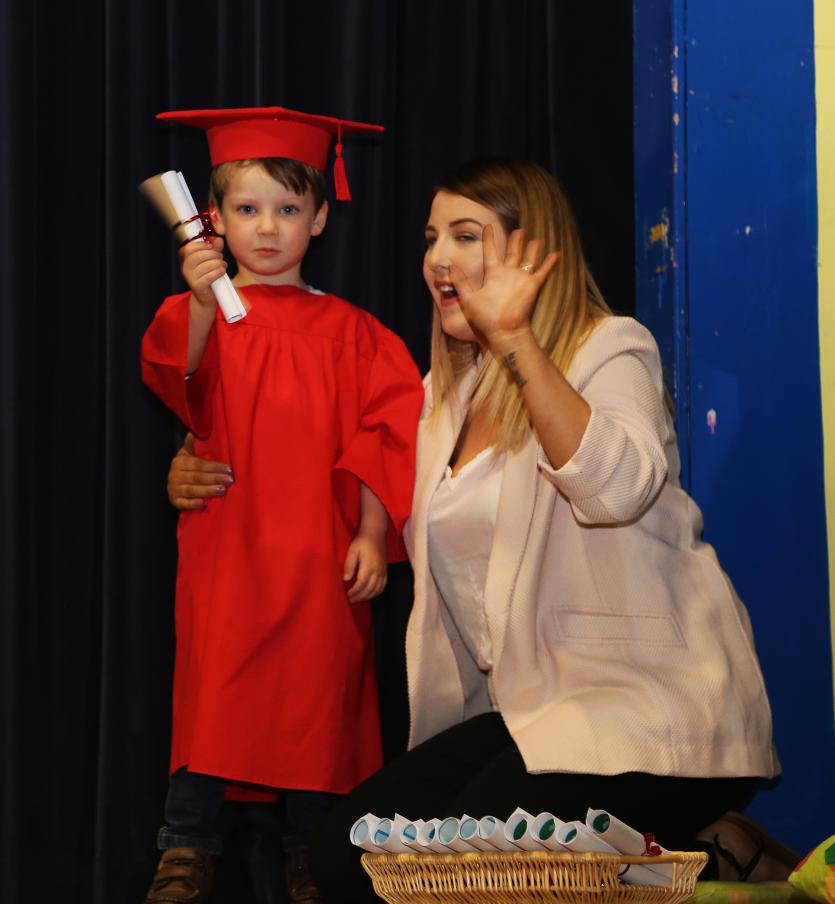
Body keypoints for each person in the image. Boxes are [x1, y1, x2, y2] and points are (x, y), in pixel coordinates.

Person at [166, 158, 796, 902]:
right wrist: (196, 461)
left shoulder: (607, 348)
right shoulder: (441, 397)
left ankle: (690, 841)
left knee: (461, 870)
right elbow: (324, 450)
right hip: (530, 714)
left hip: (644, 709)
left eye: (466, 236)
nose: (438, 257)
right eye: (433, 237)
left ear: (533, 253)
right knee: (348, 860)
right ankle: (695, 847)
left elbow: (616, 489)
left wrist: (515, 339)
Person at [140, 106, 424, 904]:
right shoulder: (202, 317)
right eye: (246, 209)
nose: (267, 228)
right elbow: (178, 377)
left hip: (318, 556)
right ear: (215, 221)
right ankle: (183, 852)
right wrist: (201, 299)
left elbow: (385, 436)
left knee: (315, 704)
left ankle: (316, 860)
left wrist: (372, 532)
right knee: (216, 695)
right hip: (230, 548)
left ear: (321, 217)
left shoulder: (360, 334)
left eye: (288, 208)